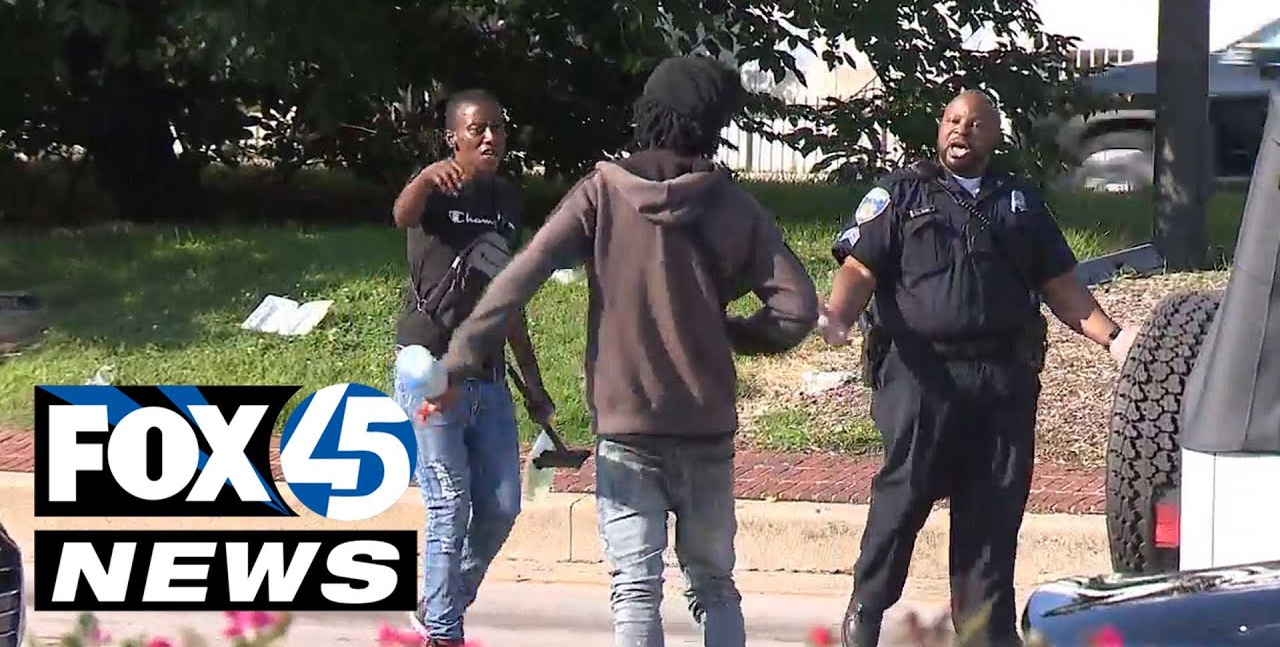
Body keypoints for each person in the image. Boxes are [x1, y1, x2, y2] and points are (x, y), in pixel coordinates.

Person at [423, 55, 819, 647]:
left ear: (648, 114)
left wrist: (456, 361)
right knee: (715, 585)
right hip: (706, 426)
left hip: (627, 426)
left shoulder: (602, 193)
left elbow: (517, 277)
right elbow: (797, 309)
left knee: (635, 588)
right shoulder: (731, 203)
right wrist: (730, 331)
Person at [817, 90, 1140, 647]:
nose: (961, 131)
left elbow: (1060, 285)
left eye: (975, 123)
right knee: (903, 496)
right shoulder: (900, 194)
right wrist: (837, 317)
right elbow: (858, 268)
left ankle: (985, 630)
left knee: (993, 509)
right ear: (939, 127)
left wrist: (1113, 338)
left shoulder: (1019, 203)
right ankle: (866, 609)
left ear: (995, 136)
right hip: (921, 377)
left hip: (1001, 381)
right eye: (952, 120)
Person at [390, 88, 555, 647]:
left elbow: (506, 299)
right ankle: (442, 632)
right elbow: (401, 214)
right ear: (453, 137)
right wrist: (427, 177)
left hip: (487, 374)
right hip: (431, 371)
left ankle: (437, 606)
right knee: (448, 503)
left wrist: (534, 386)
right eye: (477, 128)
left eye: (498, 128)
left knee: (503, 504)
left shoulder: (507, 200)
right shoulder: (434, 190)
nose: (489, 137)